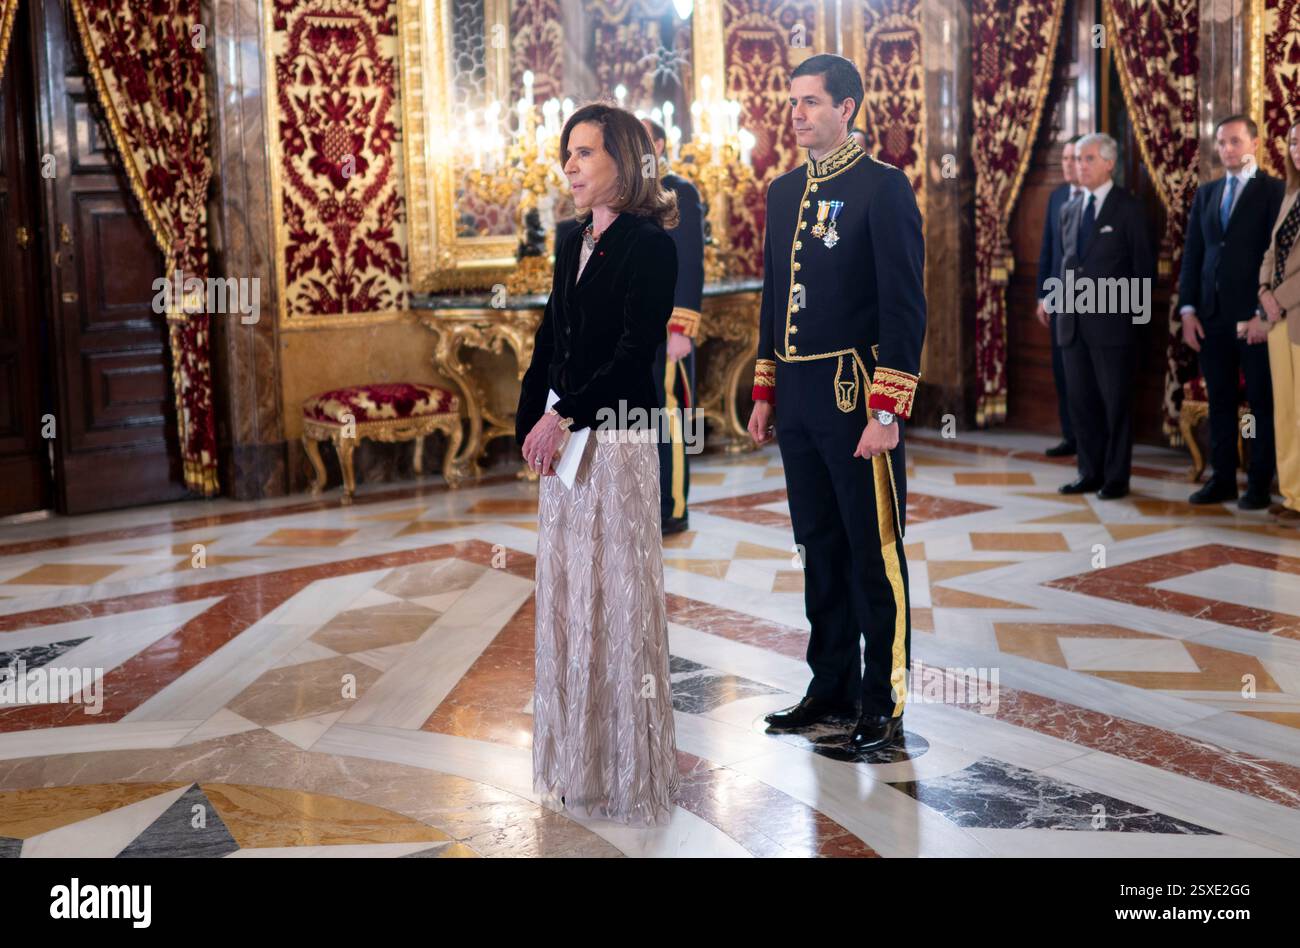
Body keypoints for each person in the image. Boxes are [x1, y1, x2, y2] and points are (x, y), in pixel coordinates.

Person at [746, 54, 926, 753]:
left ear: (846, 107)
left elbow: (904, 308)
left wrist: (887, 411)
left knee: (870, 551)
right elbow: (773, 296)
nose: (797, 113)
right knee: (816, 547)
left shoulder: (883, 188)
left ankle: (883, 699)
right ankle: (830, 689)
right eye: (793, 102)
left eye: (811, 102)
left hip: (856, 395)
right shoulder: (785, 189)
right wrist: (765, 390)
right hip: (796, 397)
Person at [515, 103, 680, 825]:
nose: (570, 167)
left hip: (615, 437)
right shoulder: (569, 239)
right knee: (570, 598)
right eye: (567, 154)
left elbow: (631, 352)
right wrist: (531, 422)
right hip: (566, 437)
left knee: (617, 601)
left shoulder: (651, 243)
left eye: (585, 153)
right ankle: (577, 761)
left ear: (624, 161)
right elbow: (553, 334)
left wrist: (564, 414)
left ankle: (631, 766)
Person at [1178, 115, 1285, 509]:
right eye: (1221, 142)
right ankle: (1222, 479)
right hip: (1210, 316)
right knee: (1220, 400)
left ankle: (1257, 481)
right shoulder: (1206, 194)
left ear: (1255, 144)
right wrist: (1188, 310)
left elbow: (1280, 259)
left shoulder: (1274, 191)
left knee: (1258, 404)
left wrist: (1263, 313)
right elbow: (1193, 255)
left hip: (1254, 319)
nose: (1227, 149)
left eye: (1235, 141)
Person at [1056, 133, 1154, 499]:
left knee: (1115, 406)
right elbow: (1066, 264)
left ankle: (1116, 477)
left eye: (1088, 159)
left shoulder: (1129, 208)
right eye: (1078, 159)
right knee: (1081, 404)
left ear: (1109, 163)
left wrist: (1138, 327)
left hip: (1114, 328)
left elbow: (1144, 270)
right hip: (1073, 326)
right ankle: (1089, 471)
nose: (1080, 166)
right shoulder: (1070, 209)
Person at [642, 117, 705, 535]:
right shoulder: (626, 194)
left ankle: (672, 506)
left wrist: (681, 329)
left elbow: (690, 263)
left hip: (669, 329)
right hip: (636, 328)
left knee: (669, 415)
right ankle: (645, 502)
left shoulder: (678, 191)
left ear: (661, 145)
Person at [1259, 121, 1300, 527]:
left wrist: (1278, 300)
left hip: (1294, 314)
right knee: (1285, 412)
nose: (1297, 148)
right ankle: (1292, 495)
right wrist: (1263, 292)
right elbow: (1271, 252)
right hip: (1277, 320)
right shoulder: (1291, 193)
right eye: (1293, 141)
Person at [1035, 136, 1083, 457]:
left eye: (1073, 158)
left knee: (1087, 377)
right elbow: (1048, 250)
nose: (1067, 164)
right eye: (1064, 158)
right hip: (1059, 300)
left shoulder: (1108, 200)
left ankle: (1093, 441)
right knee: (1063, 372)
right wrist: (1043, 295)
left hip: (1095, 302)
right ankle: (1070, 436)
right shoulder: (1058, 197)